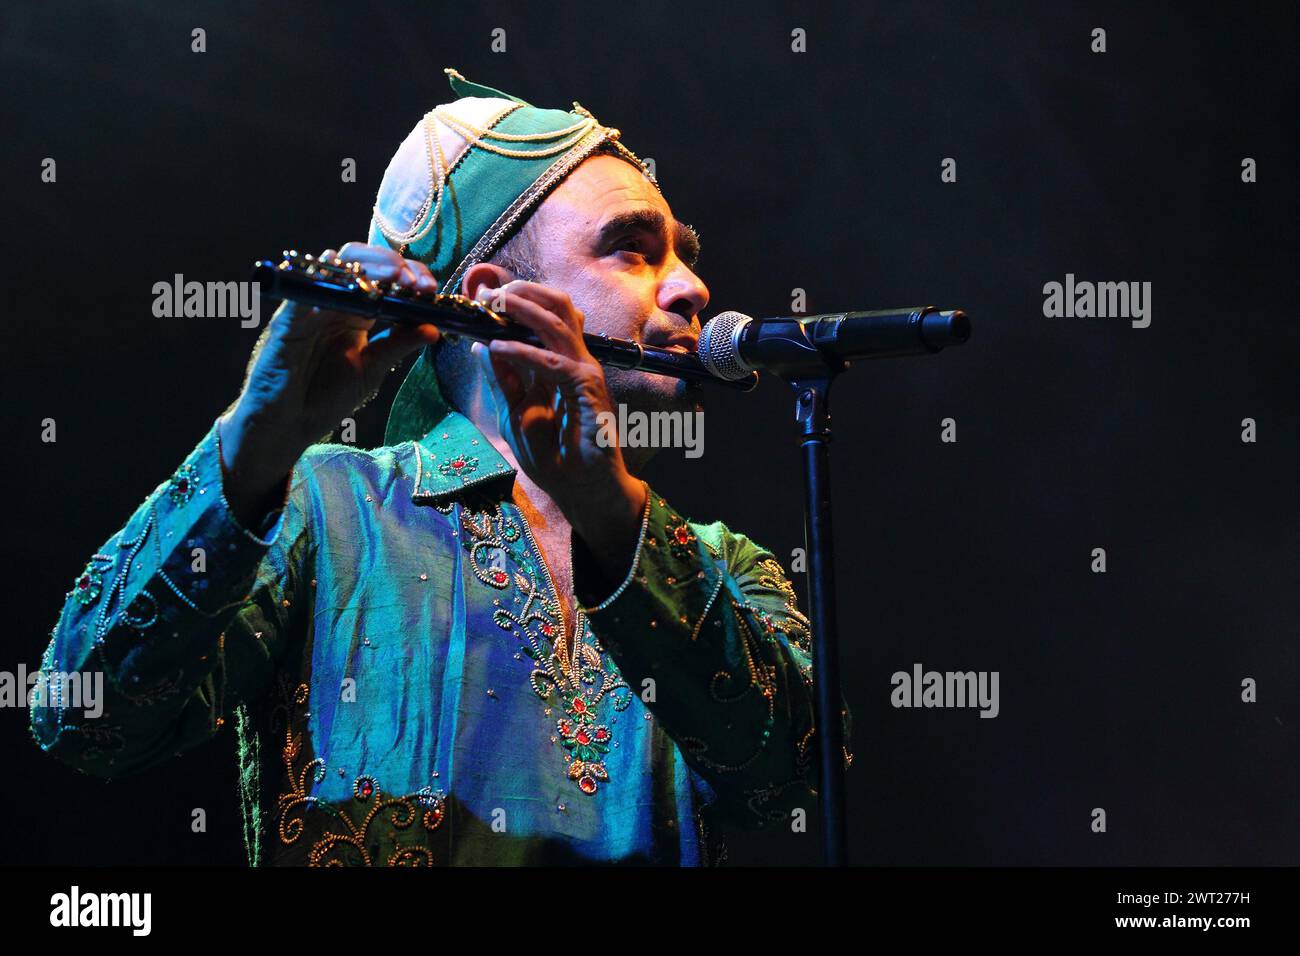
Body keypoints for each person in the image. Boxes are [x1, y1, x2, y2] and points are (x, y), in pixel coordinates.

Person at [30, 69, 852, 866]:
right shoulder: (324, 505)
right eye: (632, 250)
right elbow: (83, 719)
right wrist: (252, 441)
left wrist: (610, 511)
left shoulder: (722, 564)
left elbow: (796, 787)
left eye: (682, 254)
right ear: (496, 298)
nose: (692, 287)